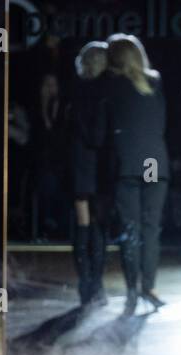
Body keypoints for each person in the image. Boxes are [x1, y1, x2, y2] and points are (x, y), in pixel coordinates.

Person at [100, 33, 170, 320]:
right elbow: (162, 121)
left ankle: (133, 288)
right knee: (150, 227)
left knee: (131, 229)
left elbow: (106, 127)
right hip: (152, 161)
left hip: (127, 163)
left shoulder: (110, 85)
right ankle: (149, 286)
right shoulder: (154, 81)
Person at [70, 41, 110, 311]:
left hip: (78, 164)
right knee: (97, 225)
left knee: (83, 223)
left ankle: (86, 286)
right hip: (97, 165)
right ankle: (96, 285)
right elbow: (97, 135)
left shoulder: (74, 91)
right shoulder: (102, 93)